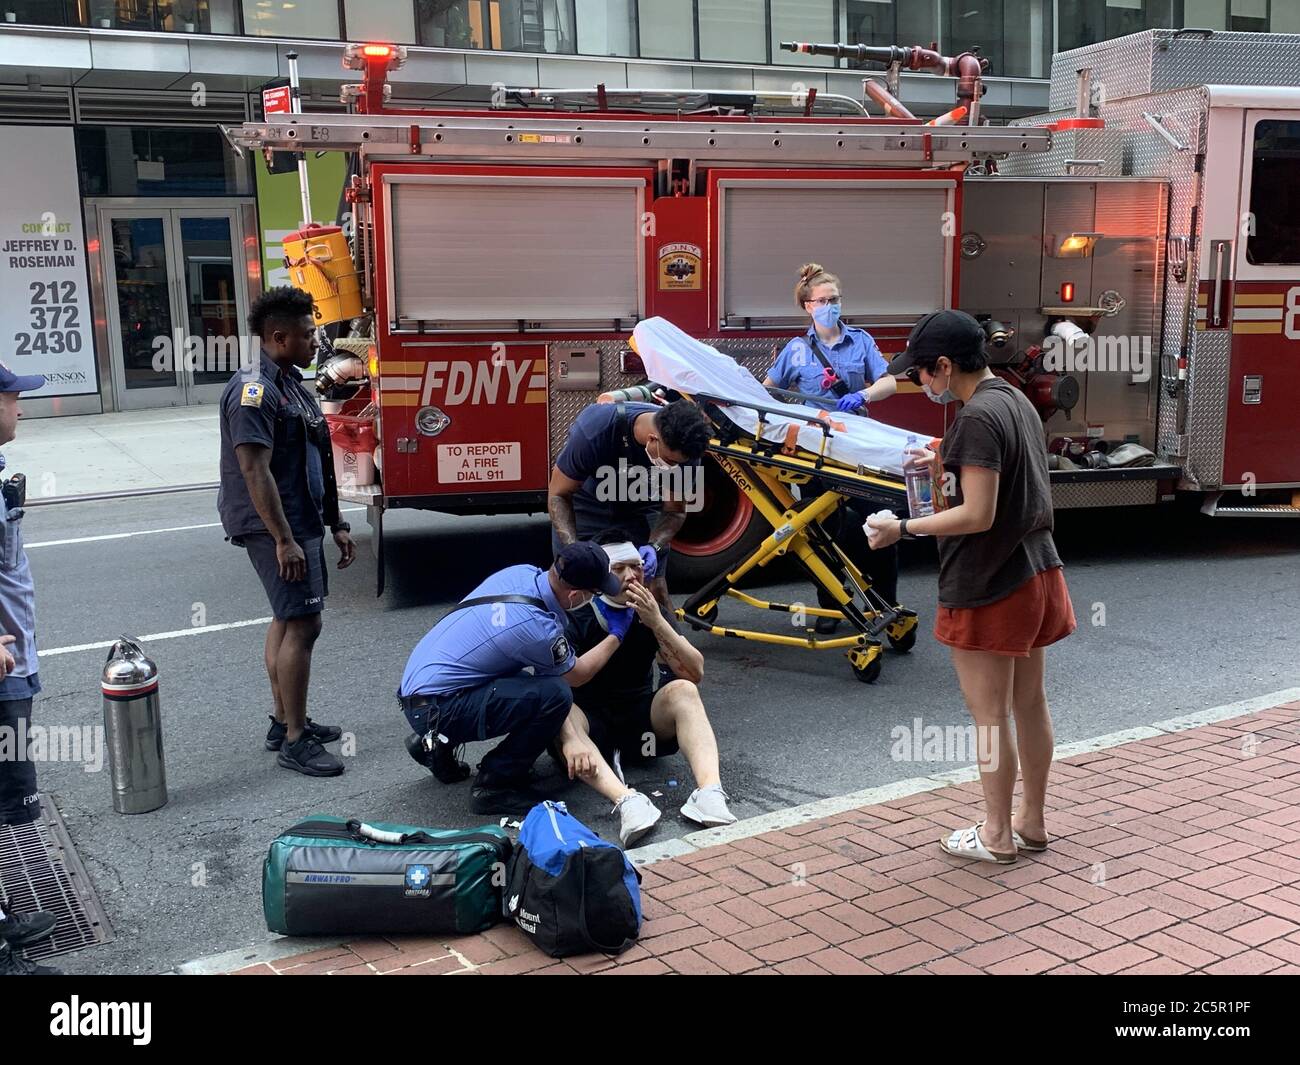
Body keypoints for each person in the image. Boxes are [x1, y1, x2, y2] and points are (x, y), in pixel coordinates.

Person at [867, 309, 1076, 866]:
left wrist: (902, 528)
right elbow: (1003, 475)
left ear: (944, 365)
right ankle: (1030, 821)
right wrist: (945, 457)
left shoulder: (976, 417)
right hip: (1037, 569)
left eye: (921, 374)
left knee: (990, 718)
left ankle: (995, 833)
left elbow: (978, 514)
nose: (919, 383)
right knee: (1030, 704)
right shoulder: (1010, 398)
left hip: (990, 581)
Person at [218, 287, 355, 778]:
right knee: (303, 623)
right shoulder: (254, 389)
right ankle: (296, 740)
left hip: (299, 517)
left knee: (287, 615)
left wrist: (335, 522)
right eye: (308, 332)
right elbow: (255, 470)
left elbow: (318, 454)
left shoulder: (291, 383)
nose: (316, 339)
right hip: (274, 523)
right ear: (279, 337)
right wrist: (282, 538)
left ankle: (284, 721)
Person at [398, 542, 631, 815]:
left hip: (421, 690)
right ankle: (494, 785)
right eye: (595, 593)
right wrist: (617, 634)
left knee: (521, 679)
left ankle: (433, 745)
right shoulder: (537, 629)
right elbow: (576, 675)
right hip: (437, 707)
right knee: (554, 695)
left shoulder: (522, 573)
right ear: (574, 595)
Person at [558, 530, 737, 845]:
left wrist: (658, 622)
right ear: (601, 576)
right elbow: (566, 680)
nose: (631, 576)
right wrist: (617, 634)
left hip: (640, 725)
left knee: (683, 690)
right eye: (619, 569)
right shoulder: (577, 612)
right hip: (588, 730)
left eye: (636, 566)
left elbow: (694, 672)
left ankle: (709, 793)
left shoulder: (650, 608)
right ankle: (627, 802)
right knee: (561, 706)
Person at [762, 263, 900, 633]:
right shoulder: (796, 350)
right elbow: (769, 389)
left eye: (834, 299)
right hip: (814, 454)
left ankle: (888, 603)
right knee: (821, 533)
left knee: (880, 523)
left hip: (857, 451)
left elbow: (890, 383)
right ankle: (833, 607)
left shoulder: (861, 341)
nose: (829, 305)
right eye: (821, 300)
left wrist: (863, 394)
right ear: (807, 305)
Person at [0, 361, 60, 975]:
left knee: (7, 797)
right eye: (13, 398)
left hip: (13, 659)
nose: (20, 409)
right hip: (1, 662)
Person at [548, 397, 711, 610]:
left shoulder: (686, 452)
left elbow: (675, 512)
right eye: (670, 462)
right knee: (571, 586)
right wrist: (574, 549)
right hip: (586, 504)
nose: (672, 468)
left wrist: (654, 547)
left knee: (654, 590)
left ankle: (669, 643)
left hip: (641, 504)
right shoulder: (596, 429)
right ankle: (563, 640)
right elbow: (558, 495)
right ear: (653, 439)